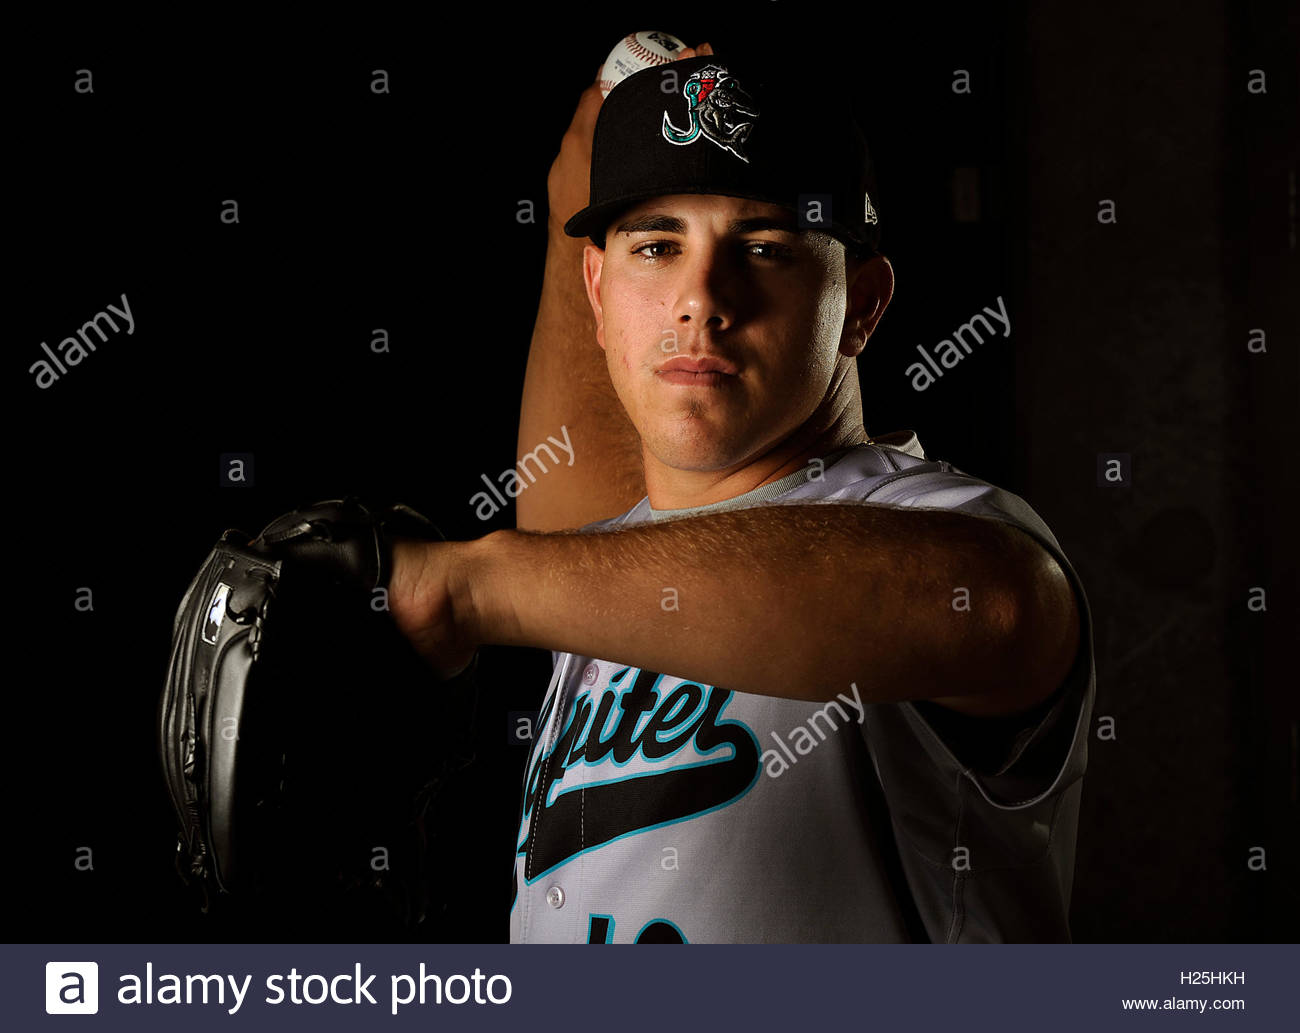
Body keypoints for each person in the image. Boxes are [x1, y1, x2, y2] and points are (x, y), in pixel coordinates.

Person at [387, 48, 1095, 943]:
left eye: (763, 248)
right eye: (657, 245)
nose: (699, 300)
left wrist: (463, 585)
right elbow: (582, 219)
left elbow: (995, 607)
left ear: (864, 305)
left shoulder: (946, 532)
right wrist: (616, 106)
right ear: (600, 295)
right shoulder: (597, 559)